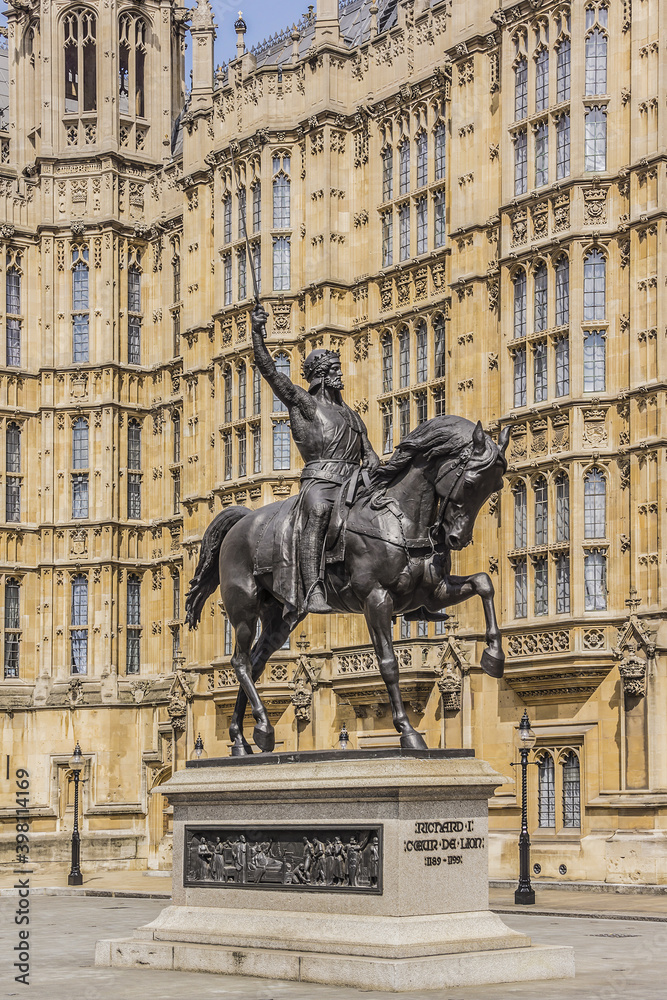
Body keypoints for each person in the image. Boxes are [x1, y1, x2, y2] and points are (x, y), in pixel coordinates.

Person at [251, 304, 379, 613]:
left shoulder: (350, 413)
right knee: (320, 511)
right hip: (321, 482)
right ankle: (312, 590)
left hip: (354, 484)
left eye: (339, 368)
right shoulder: (305, 404)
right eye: (334, 370)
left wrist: (375, 464)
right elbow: (270, 372)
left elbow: (370, 454)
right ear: (321, 376)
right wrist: (257, 333)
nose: (340, 375)